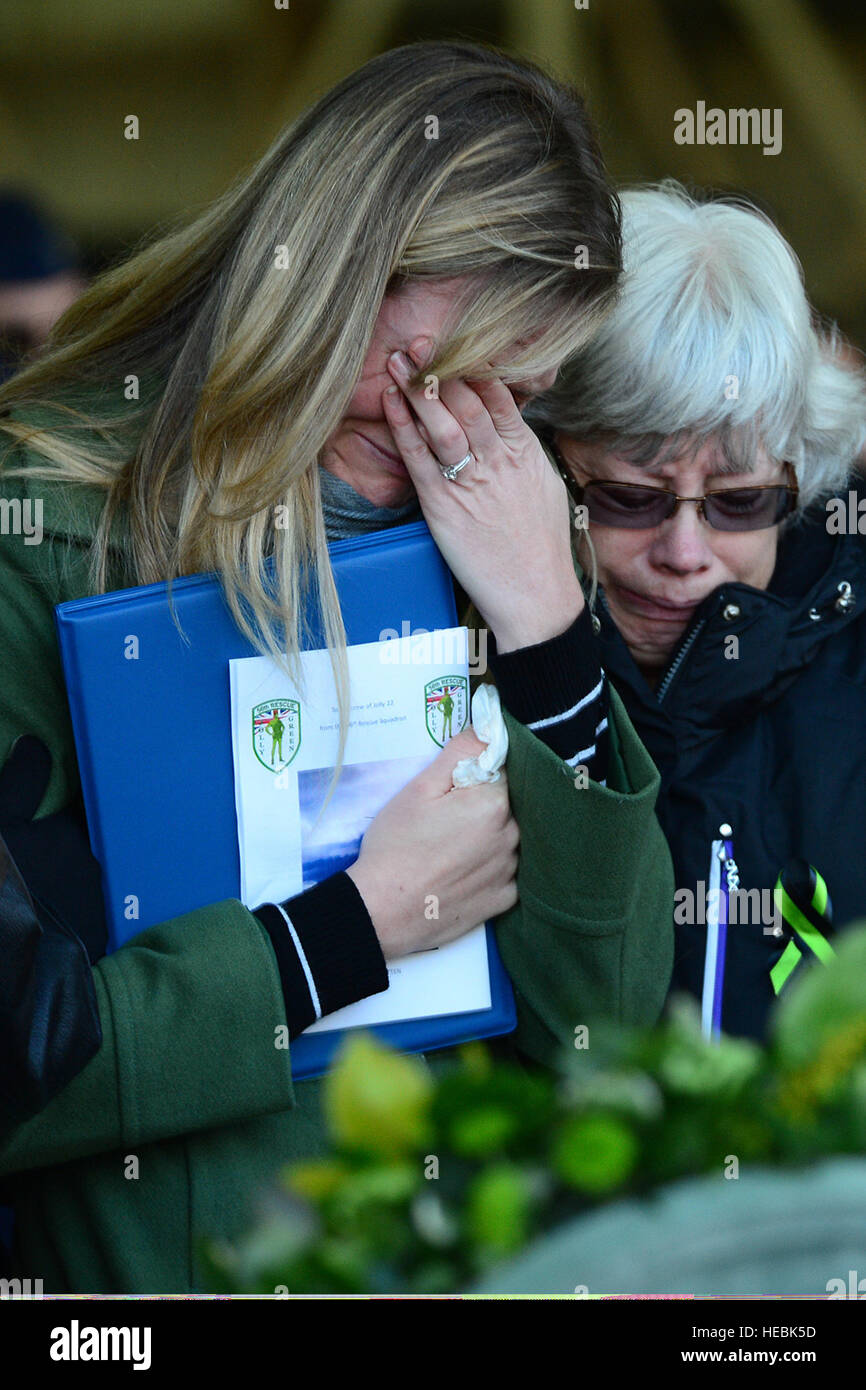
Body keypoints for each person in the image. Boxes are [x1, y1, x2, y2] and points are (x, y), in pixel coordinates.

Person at [0, 42, 673, 1293]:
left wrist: (547, 636)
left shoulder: (495, 522)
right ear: (322, 272)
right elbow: (20, 1062)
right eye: (425, 369)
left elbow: (605, 1043)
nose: (447, 426)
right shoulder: (44, 528)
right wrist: (350, 932)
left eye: (509, 391)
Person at [527, 180, 866, 1043]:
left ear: (803, 476)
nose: (685, 553)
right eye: (630, 498)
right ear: (538, 462)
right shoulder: (445, 654)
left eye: (741, 501)